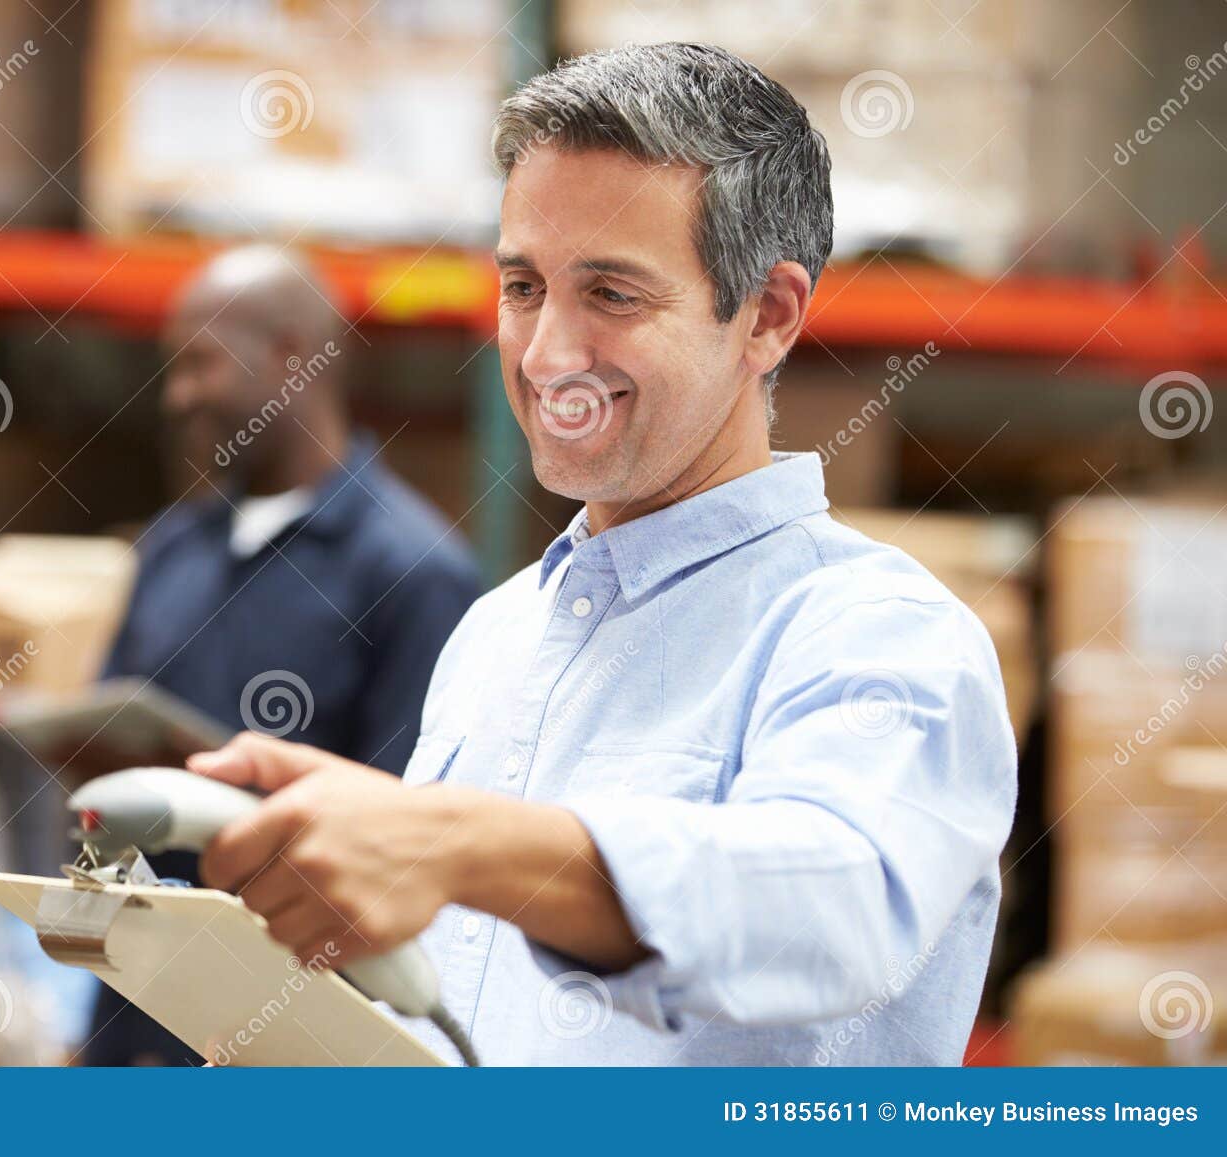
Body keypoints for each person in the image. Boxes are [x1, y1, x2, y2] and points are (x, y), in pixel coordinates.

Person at [180, 44, 1017, 1066]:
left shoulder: (880, 636)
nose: (544, 356)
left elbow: (837, 899)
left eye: (613, 295)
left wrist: (450, 842)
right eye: (523, 285)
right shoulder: (494, 636)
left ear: (767, 315)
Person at [76, 244, 482, 1064]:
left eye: (200, 365)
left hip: (284, 1037)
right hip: (130, 1016)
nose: (179, 397)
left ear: (289, 358)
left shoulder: (412, 575)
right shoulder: (171, 549)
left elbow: (402, 838)